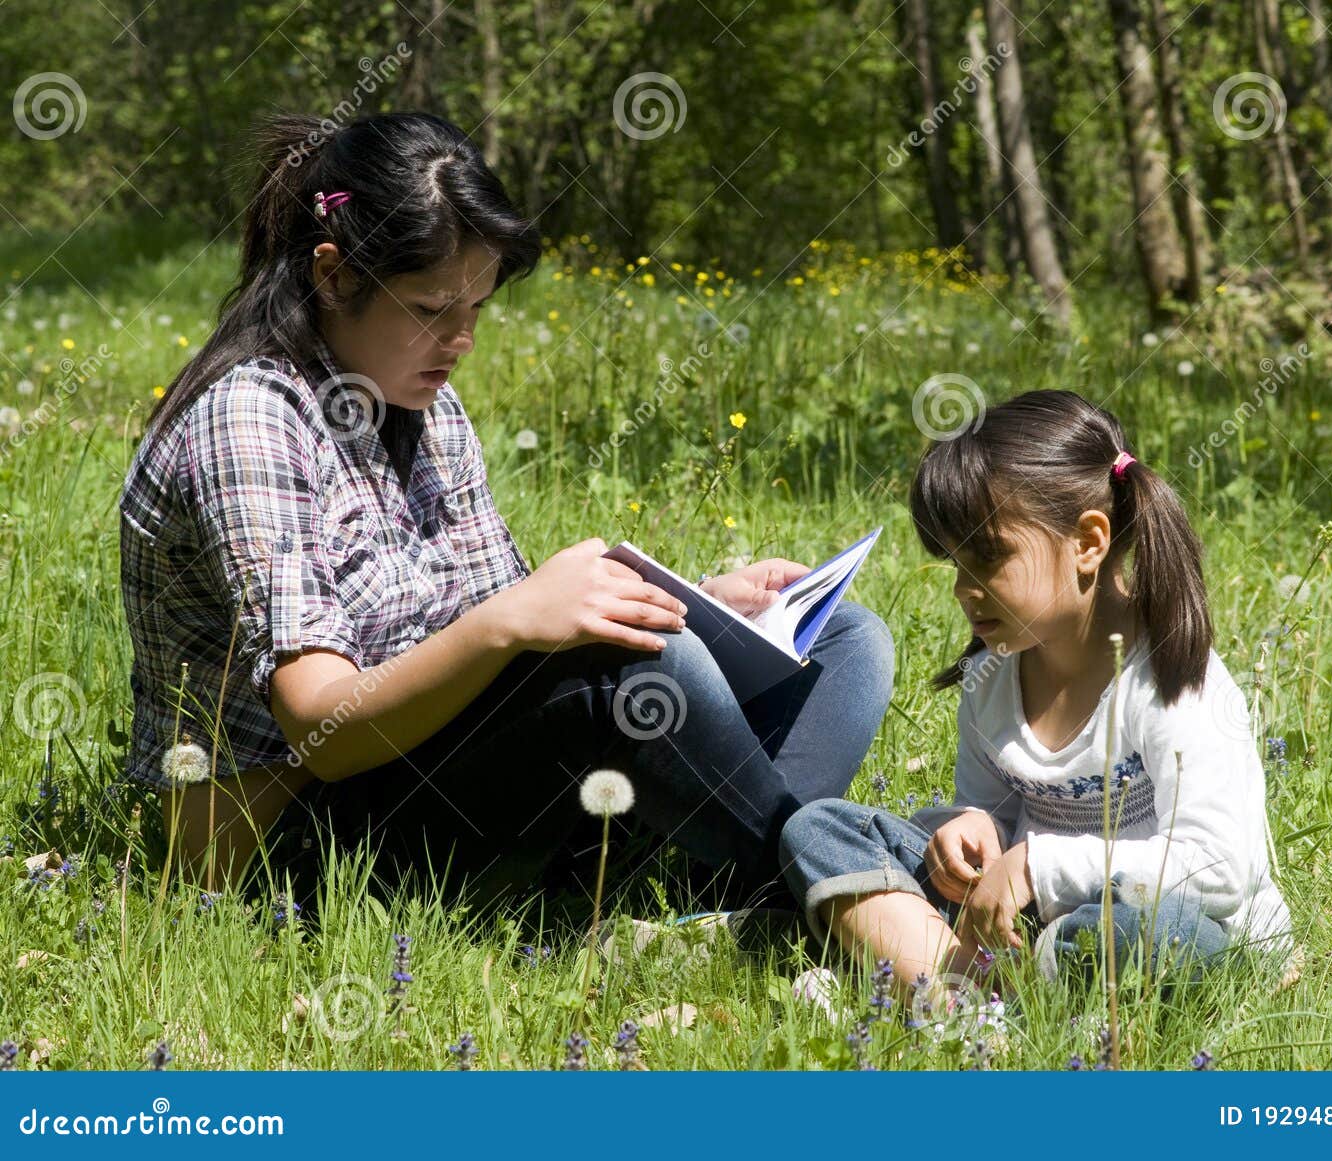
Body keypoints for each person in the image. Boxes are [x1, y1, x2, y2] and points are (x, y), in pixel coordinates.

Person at [117, 110, 894, 910]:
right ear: (334, 275)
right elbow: (325, 728)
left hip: (439, 772)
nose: (461, 341)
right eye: (430, 309)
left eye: (477, 310)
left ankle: (739, 890)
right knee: (641, 666)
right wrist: (510, 621)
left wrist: (692, 602)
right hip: (304, 844)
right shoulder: (251, 418)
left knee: (843, 638)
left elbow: (520, 657)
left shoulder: (428, 408)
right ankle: (835, 889)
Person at [779, 389, 1292, 1007]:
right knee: (820, 828)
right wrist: (970, 829)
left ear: (1087, 542)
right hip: (1024, 923)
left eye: (989, 558)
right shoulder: (992, 677)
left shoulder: (1175, 682)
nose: (966, 592)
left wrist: (1032, 867)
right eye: (955, 566)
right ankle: (968, 991)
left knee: (1153, 935)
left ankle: (938, 978)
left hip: (1173, 925)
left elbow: (1218, 870)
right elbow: (996, 816)